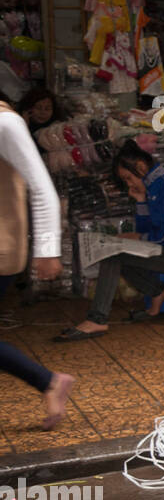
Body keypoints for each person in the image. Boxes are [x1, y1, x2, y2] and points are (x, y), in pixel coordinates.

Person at [55, 140, 164, 341]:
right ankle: (158, 291)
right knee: (119, 254)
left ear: (141, 167)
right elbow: (148, 229)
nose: (129, 184)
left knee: (112, 256)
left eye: (129, 178)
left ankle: (97, 319)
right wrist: (140, 201)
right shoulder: (156, 187)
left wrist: (139, 238)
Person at [0, 99, 75, 427]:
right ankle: (49, 381)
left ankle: (49, 381)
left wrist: (47, 248)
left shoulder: (6, 123)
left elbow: (42, 187)